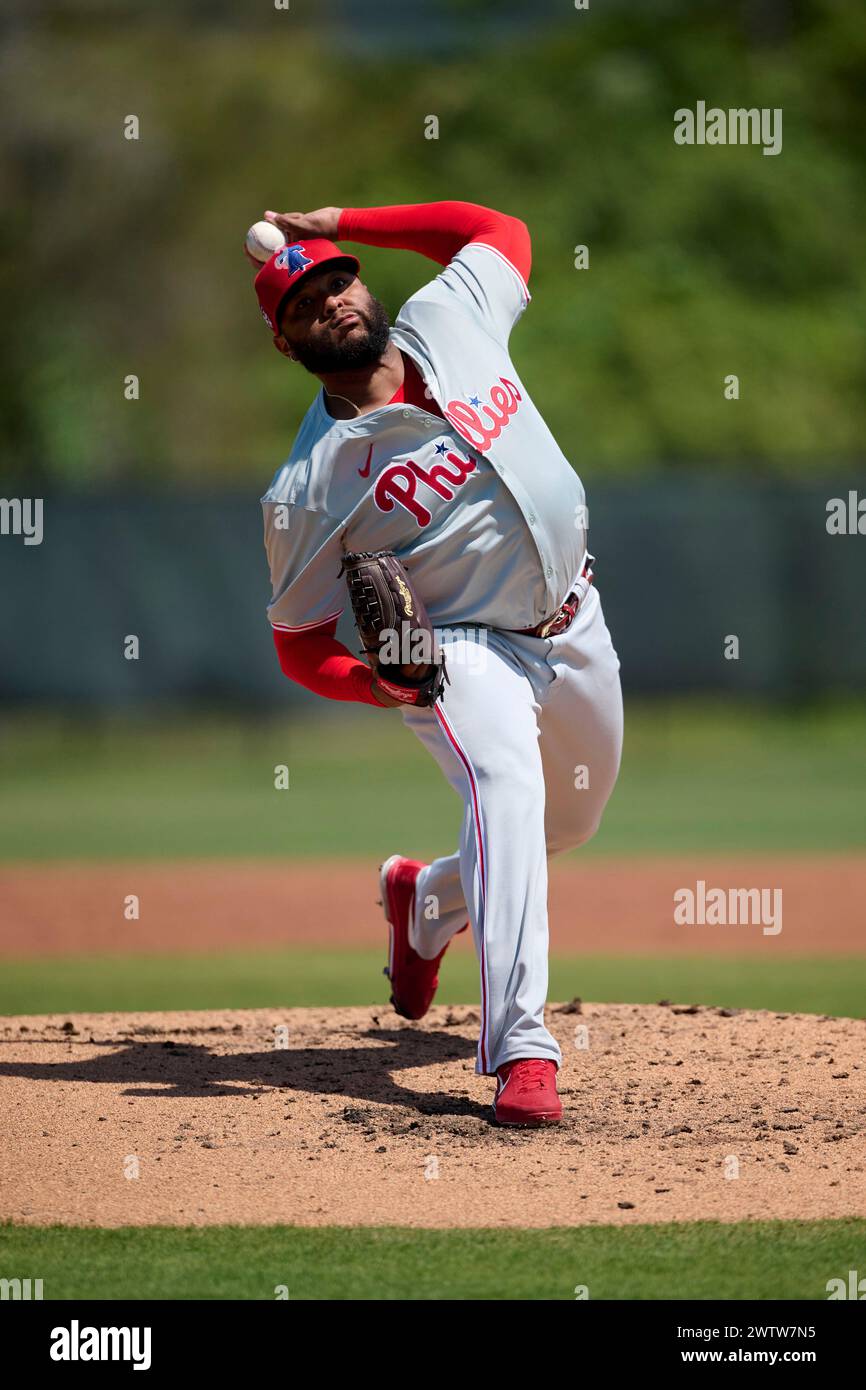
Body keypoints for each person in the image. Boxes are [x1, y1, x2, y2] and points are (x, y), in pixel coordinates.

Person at [251, 201, 623, 1125]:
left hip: (573, 614)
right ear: (286, 346)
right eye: (304, 304)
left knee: (568, 821)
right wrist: (378, 683)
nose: (331, 302)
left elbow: (497, 229)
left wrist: (341, 218)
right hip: (459, 648)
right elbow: (300, 648)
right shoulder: (308, 488)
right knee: (506, 786)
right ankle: (523, 1052)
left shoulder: (451, 314)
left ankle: (427, 896)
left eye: (338, 279)